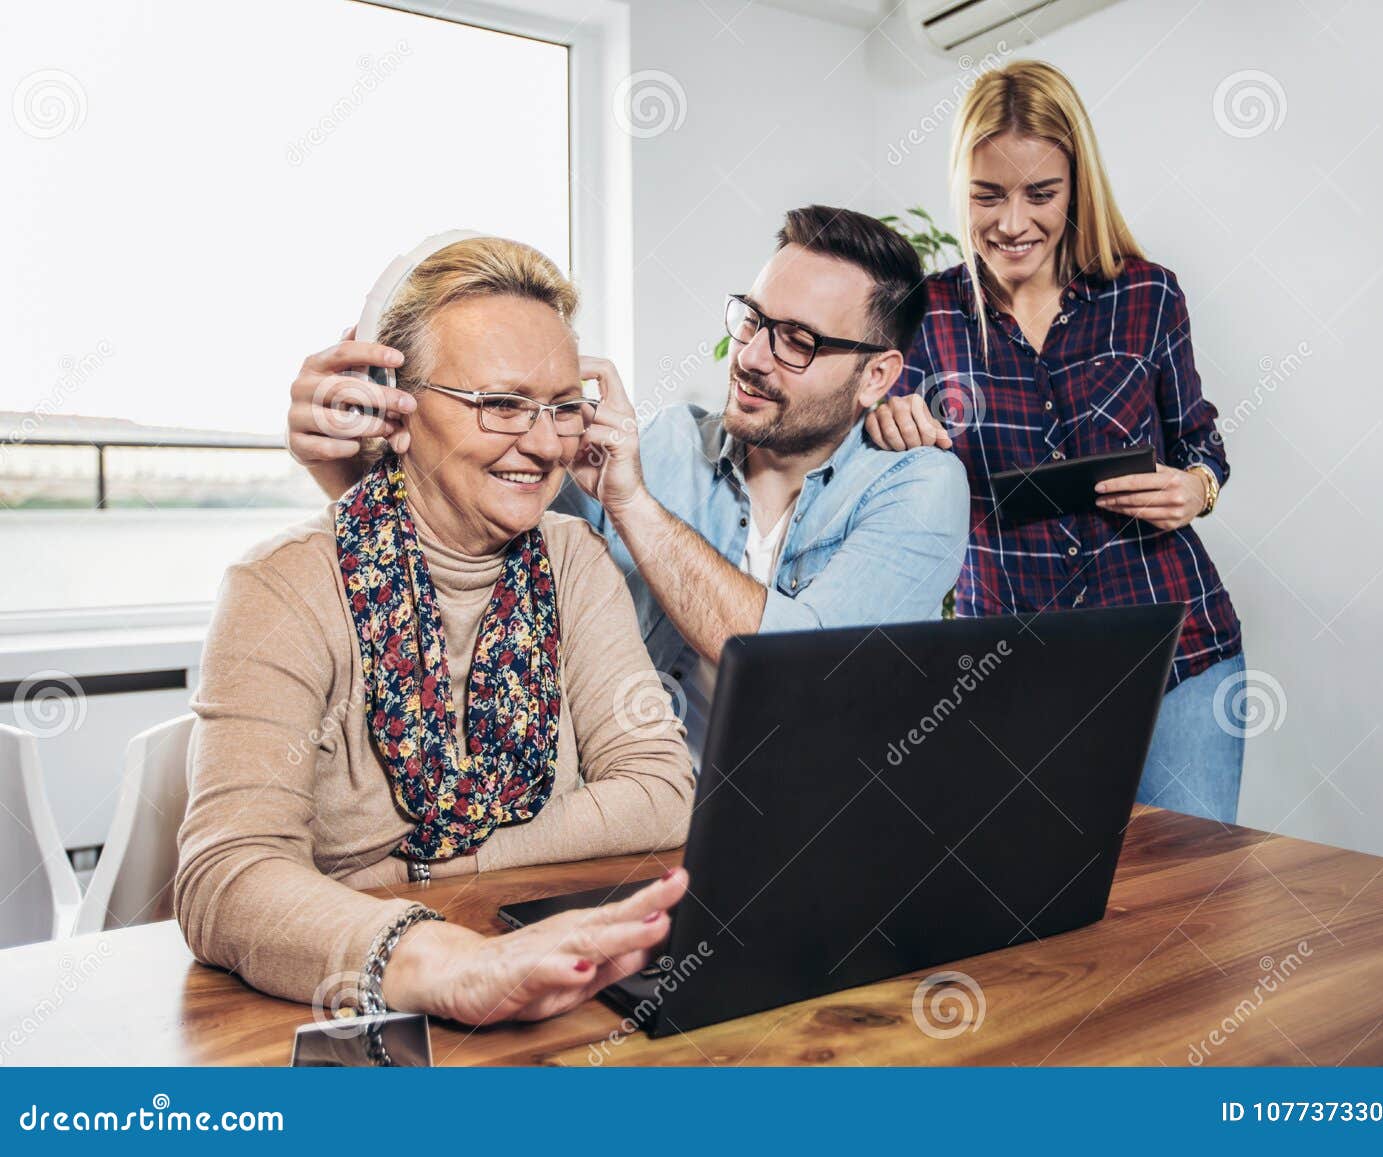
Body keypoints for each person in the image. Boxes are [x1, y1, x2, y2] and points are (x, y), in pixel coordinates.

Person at [177, 236, 695, 1024]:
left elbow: (660, 793)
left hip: (535, 963)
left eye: (561, 405)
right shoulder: (281, 586)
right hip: (344, 1002)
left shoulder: (576, 561)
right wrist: (439, 960)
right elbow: (229, 874)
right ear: (396, 412)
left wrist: (417, 868)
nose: (547, 441)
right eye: (502, 404)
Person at [291, 206, 971, 759]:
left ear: (878, 376)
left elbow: (803, 665)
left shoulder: (918, 485)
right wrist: (342, 458)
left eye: (798, 341)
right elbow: (473, 545)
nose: (753, 357)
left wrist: (632, 503)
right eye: (754, 319)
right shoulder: (673, 440)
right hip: (640, 812)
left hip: (814, 827)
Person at [865, 60, 1248, 824]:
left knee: (1190, 909)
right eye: (987, 195)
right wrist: (880, 424)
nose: (1013, 223)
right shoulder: (924, 314)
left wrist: (1194, 488)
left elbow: (1203, 444)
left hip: (1176, 653)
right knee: (1041, 921)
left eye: (1041, 194)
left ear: (1078, 187)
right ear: (960, 187)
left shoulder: (1148, 295)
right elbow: (862, 467)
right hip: (1010, 672)